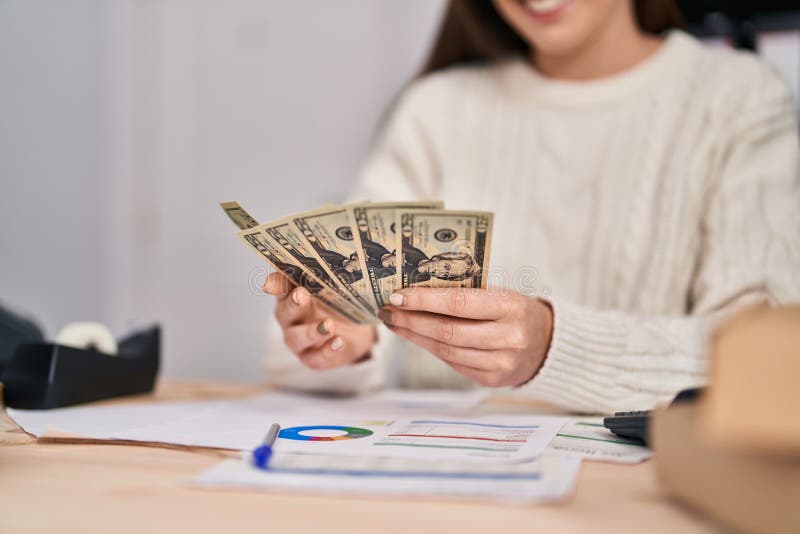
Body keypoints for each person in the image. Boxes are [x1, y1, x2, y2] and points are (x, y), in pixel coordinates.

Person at [261, 0, 800, 413]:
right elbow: (313, 344)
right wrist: (340, 342)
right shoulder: (437, 109)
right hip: (438, 477)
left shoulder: (740, 101)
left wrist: (553, 346)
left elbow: (771, 357)